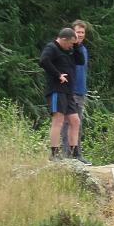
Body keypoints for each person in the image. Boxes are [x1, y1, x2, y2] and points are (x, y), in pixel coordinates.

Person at [39, 27, 83, 162]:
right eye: (70, 43)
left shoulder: (69, 50)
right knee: (58, 120)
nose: (71, 46)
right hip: (56, 90)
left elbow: (80, 61)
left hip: (68, 91)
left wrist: (76, 46)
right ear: (63, 39)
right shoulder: (52, 47)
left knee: (75, 120)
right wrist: (58, 75)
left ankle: (75, 154)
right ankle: (54, 154)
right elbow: (43, 61)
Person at [60, 19, 91, 164]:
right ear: (72, 33)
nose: (80, 34)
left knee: (78, 123)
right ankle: (67, 155)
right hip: (69, 90)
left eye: (82, 32)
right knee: (67, 122)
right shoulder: (68, 49)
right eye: (78, 32)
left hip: (80, 91)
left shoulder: (83, 49)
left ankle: (76, 154)